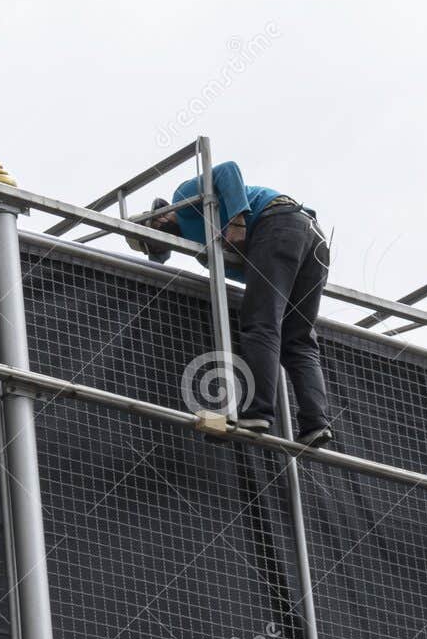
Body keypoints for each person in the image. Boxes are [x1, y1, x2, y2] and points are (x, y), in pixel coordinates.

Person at [140, 161, 334, 448]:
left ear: (158, 218)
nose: (164, 243)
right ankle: (316, 424)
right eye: (158, 248)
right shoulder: (207, 252)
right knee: (298, 340)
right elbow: (257, 274)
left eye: (156, 241)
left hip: (278, 222)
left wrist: (238, 220)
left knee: (261, 323)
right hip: (311, 240)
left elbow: (228, 170)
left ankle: (257, 412)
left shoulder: (185, 198)